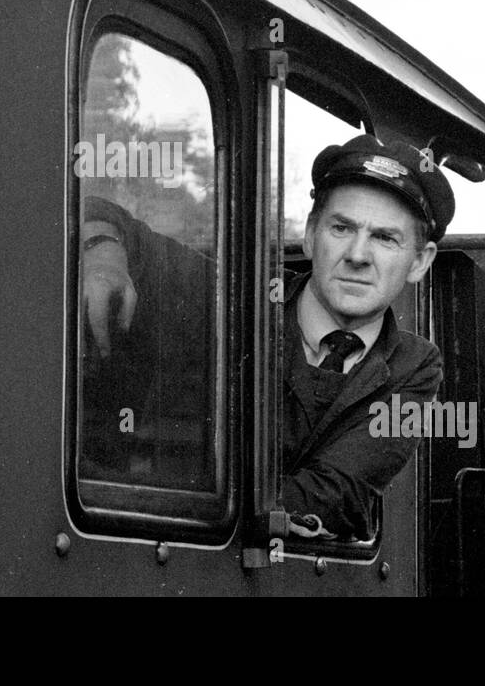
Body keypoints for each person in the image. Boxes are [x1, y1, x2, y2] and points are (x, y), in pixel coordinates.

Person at [81, 134, 455, 541]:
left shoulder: (415, 368)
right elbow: (107, 216)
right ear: (311, 235)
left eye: (385, 238)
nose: (358, 255)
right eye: (342, 227)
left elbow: (335, 494)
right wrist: (103, 254)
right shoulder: (239, 296)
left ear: (420, 261)